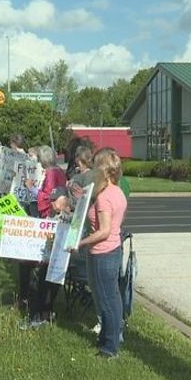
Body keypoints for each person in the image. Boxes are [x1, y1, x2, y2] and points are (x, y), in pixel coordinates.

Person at [74, 148, 128, 359]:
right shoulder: (117, 191)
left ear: (104, 170)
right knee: (110, 299)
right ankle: (108, 338)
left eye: (97, 165)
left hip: (102, 253)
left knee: (106, 300)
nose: (93, 169)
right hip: (112, 249)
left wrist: (81, 242)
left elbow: (104, 231)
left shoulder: (105, 197)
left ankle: (110, 347)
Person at [20, 145, 69, 329]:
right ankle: (45, 313)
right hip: (56, 223)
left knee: (39, 276)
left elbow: (46, 197)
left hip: (49, 224)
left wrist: (32, 190)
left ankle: (36, 315)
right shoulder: (60, 172)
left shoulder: (50, 174)